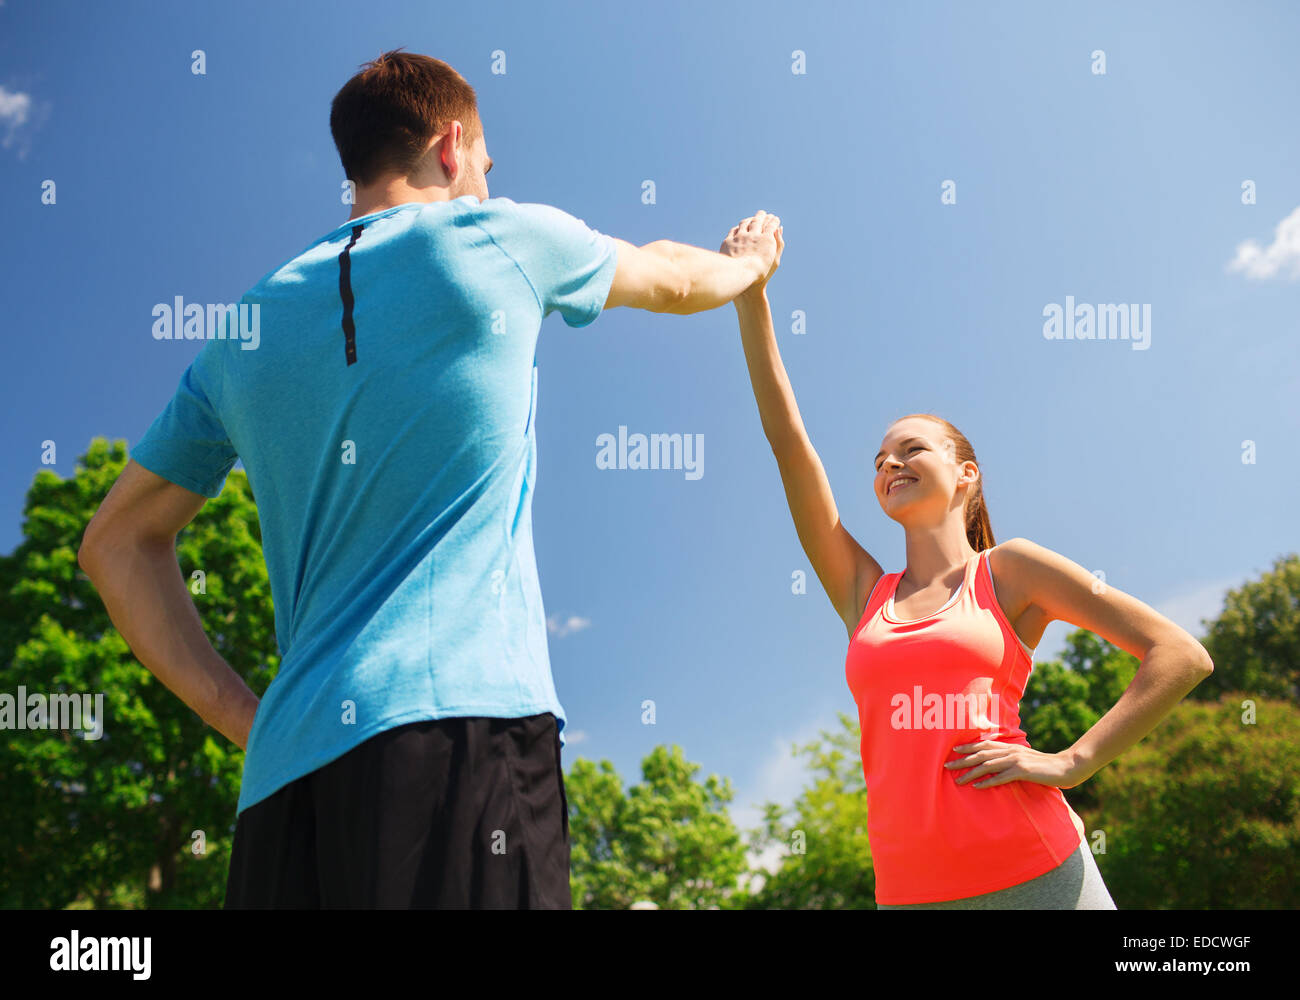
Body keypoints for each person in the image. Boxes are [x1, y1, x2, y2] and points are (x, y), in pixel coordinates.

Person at [76, 50, 780, 909]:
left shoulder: (243, 329)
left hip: (286, 789)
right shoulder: (503, 238)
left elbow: (114, 546)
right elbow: (674, 274)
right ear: (452, 146)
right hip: (463, 740)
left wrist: (249, 720)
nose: (488, 178)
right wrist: (749, 262)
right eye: (485, 159)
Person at [721, 212, 1214, 909]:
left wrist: (1071, 763)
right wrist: (752, 295)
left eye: (912, 450)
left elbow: (1179, 654)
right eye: (880, 460)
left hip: (1037, 874)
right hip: (912, 893)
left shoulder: (1009, 572)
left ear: (967, 473)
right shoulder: (863, 591)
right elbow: (788, 440)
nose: (891, 462)